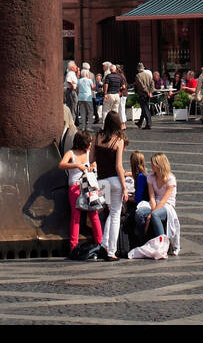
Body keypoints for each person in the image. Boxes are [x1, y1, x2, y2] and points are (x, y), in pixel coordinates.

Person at [59, 129, 104, 258]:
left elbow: (95, 162)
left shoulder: (89, 153)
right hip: (75, 187)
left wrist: (92, 167)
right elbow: (61, 165)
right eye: (88, 142)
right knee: (76, 216)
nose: (90, 145)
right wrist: (77, 166)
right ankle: (73, 246)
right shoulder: (71, 153)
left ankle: (100, 243)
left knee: (93, 214)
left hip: (88, 186)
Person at [94, 111, 129, 260]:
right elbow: (119, 167)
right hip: (114, 180)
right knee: (115, 215)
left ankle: (103, 244)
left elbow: (92, 160)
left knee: (107, 213)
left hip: (101, 181)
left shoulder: (96, 137)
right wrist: (125, 187)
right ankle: (111, 252)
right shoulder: (118, 140)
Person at [134, 153, 180, 255]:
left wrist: (152, 213)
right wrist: (153, 208)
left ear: (159, 165)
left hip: (167, 205)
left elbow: (164, 199)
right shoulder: (150, 177)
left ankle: (163, 244)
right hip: (154, 203)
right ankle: (143, 241)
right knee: (140, 213)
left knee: (155, 215)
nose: (151, 166)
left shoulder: (170, 178)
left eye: (153, 164)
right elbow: (152, 196)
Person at [134, 62, 154, 131]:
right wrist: (150, 92)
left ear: (138, 69)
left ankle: (149, 124)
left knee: (145, 109)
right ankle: (140, 122)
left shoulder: (138, 76)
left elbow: (141, 86)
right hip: (148, 94)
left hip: (143, 94)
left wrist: (148, 92)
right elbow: (152, 83)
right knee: (144, 108)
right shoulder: (148, 75)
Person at [76, 65, 95, 131]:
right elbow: (93, 87)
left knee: (82, 112)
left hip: (80, 97)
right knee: (90, 112)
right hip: (88, 97)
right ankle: (89, 127)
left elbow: (77, 89)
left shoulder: (79, 80)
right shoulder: (89, 80)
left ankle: (83, 127)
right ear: (87, 74)